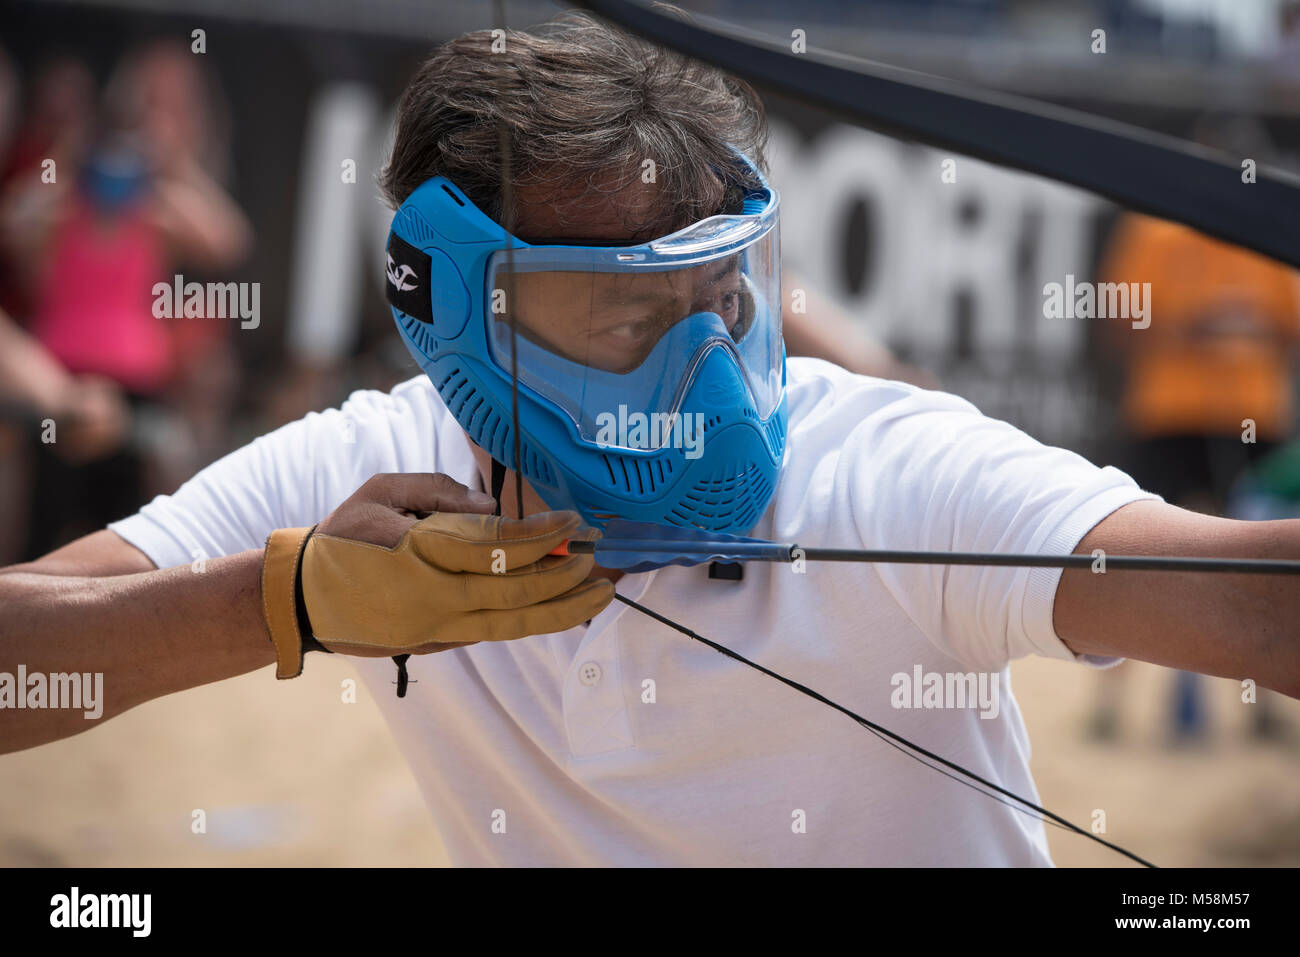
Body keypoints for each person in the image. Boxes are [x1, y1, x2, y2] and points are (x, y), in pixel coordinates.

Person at [3, 13, 1299, 866]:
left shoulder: (884, 467)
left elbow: (1257, 610)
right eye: (630, 310)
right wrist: (276, 602)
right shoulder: (374, 473)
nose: (703, 372)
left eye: (721, 298)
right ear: (463, 317)